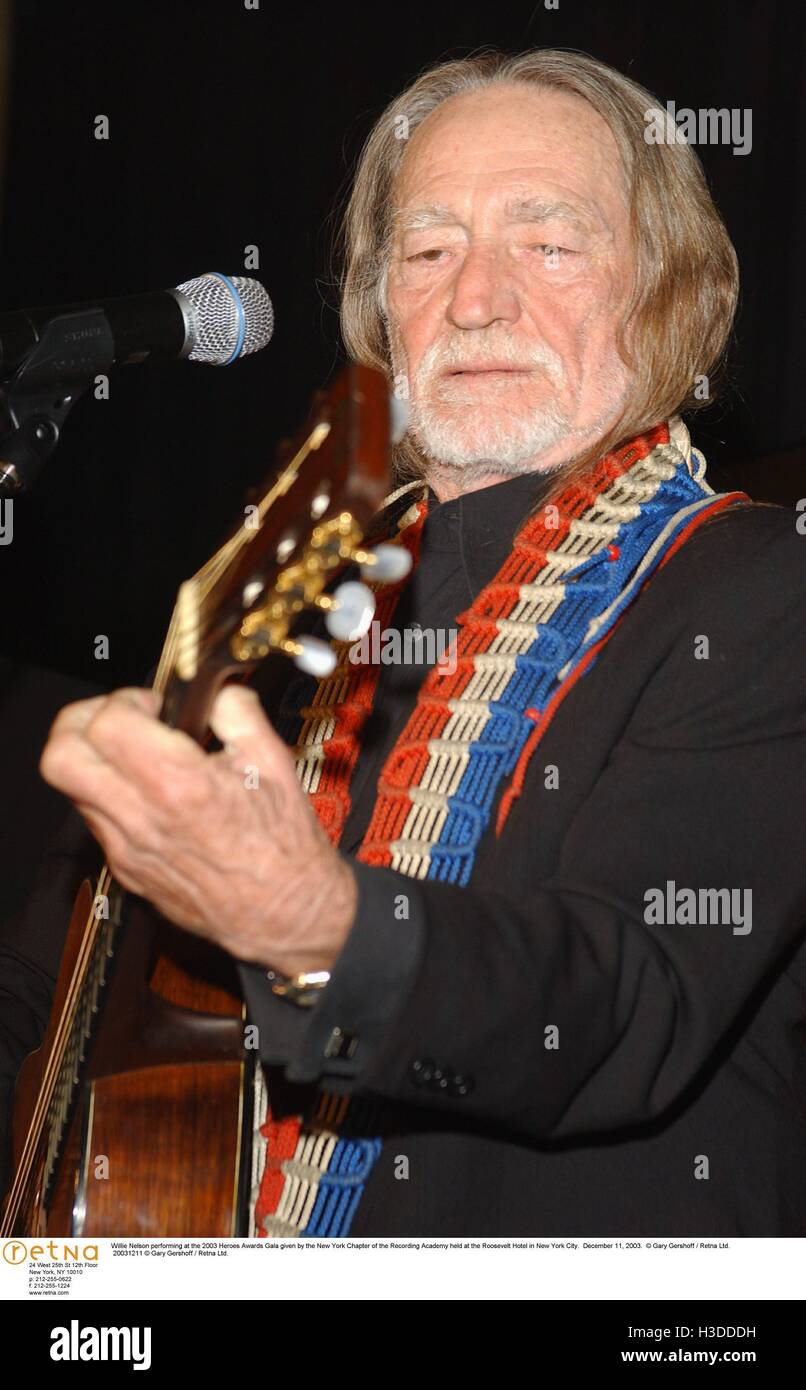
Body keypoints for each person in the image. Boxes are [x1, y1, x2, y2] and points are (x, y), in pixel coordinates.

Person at [5, 49, 806, 1237]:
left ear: (669, 295)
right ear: (382, 311)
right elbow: (41, 995)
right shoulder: (264, 617)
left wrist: (312, 924)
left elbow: (622, 995)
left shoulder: (759, 588)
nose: (474, 299)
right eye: (428, 251)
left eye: (547, 243)